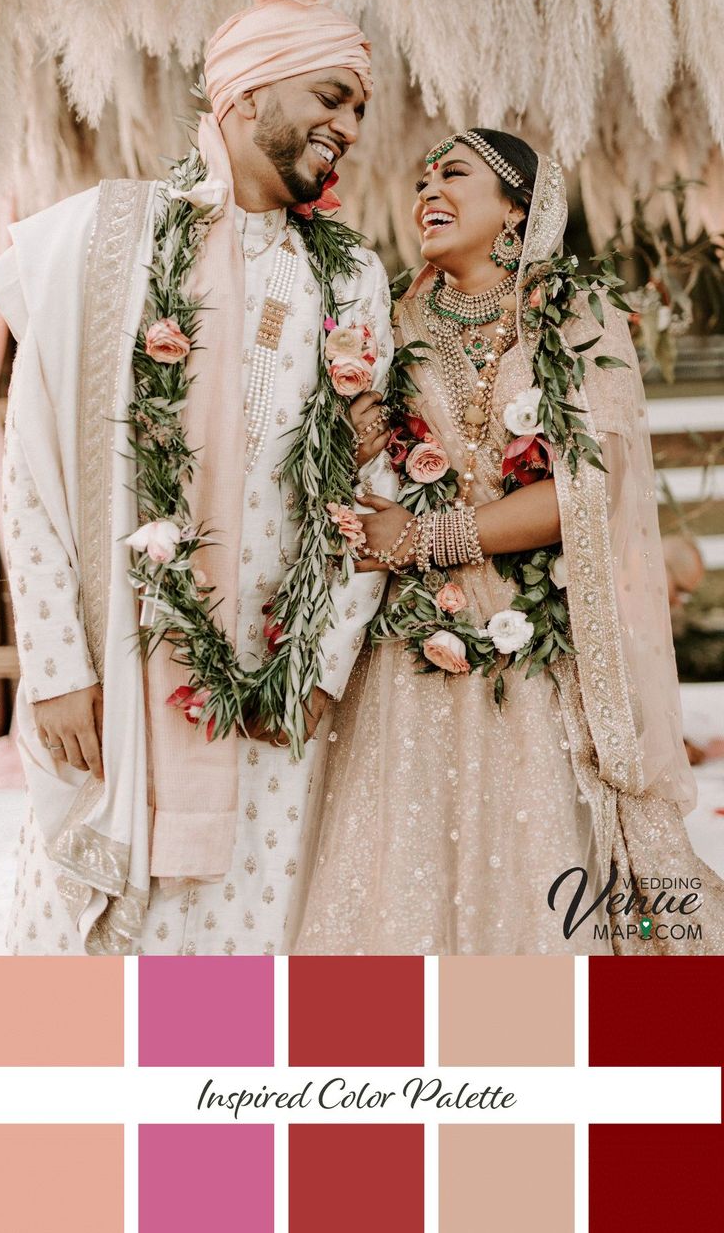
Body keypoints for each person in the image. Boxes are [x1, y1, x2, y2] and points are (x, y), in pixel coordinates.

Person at [0, 0, 396, 956]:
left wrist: (317, 663)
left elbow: (369, 482)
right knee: (87, 970)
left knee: (247, 963)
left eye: (358, 109)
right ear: (246, 97)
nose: (348, 127)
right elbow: (28, 469)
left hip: (272, 695)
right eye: (332, 97)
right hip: (115, 675)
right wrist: (53, 664)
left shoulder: (352, 280)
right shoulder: (99, 242)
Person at [290, 129, 724, 956]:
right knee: (397, 875)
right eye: (422, 180)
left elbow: (584, 493)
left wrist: (424, 534)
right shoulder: (389, 319)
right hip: (407, 660)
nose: (428, 192)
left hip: (535, 657)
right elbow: (350, 473)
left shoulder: (576, 315)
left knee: (535, 872)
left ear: (518, 208)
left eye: (454, 174)